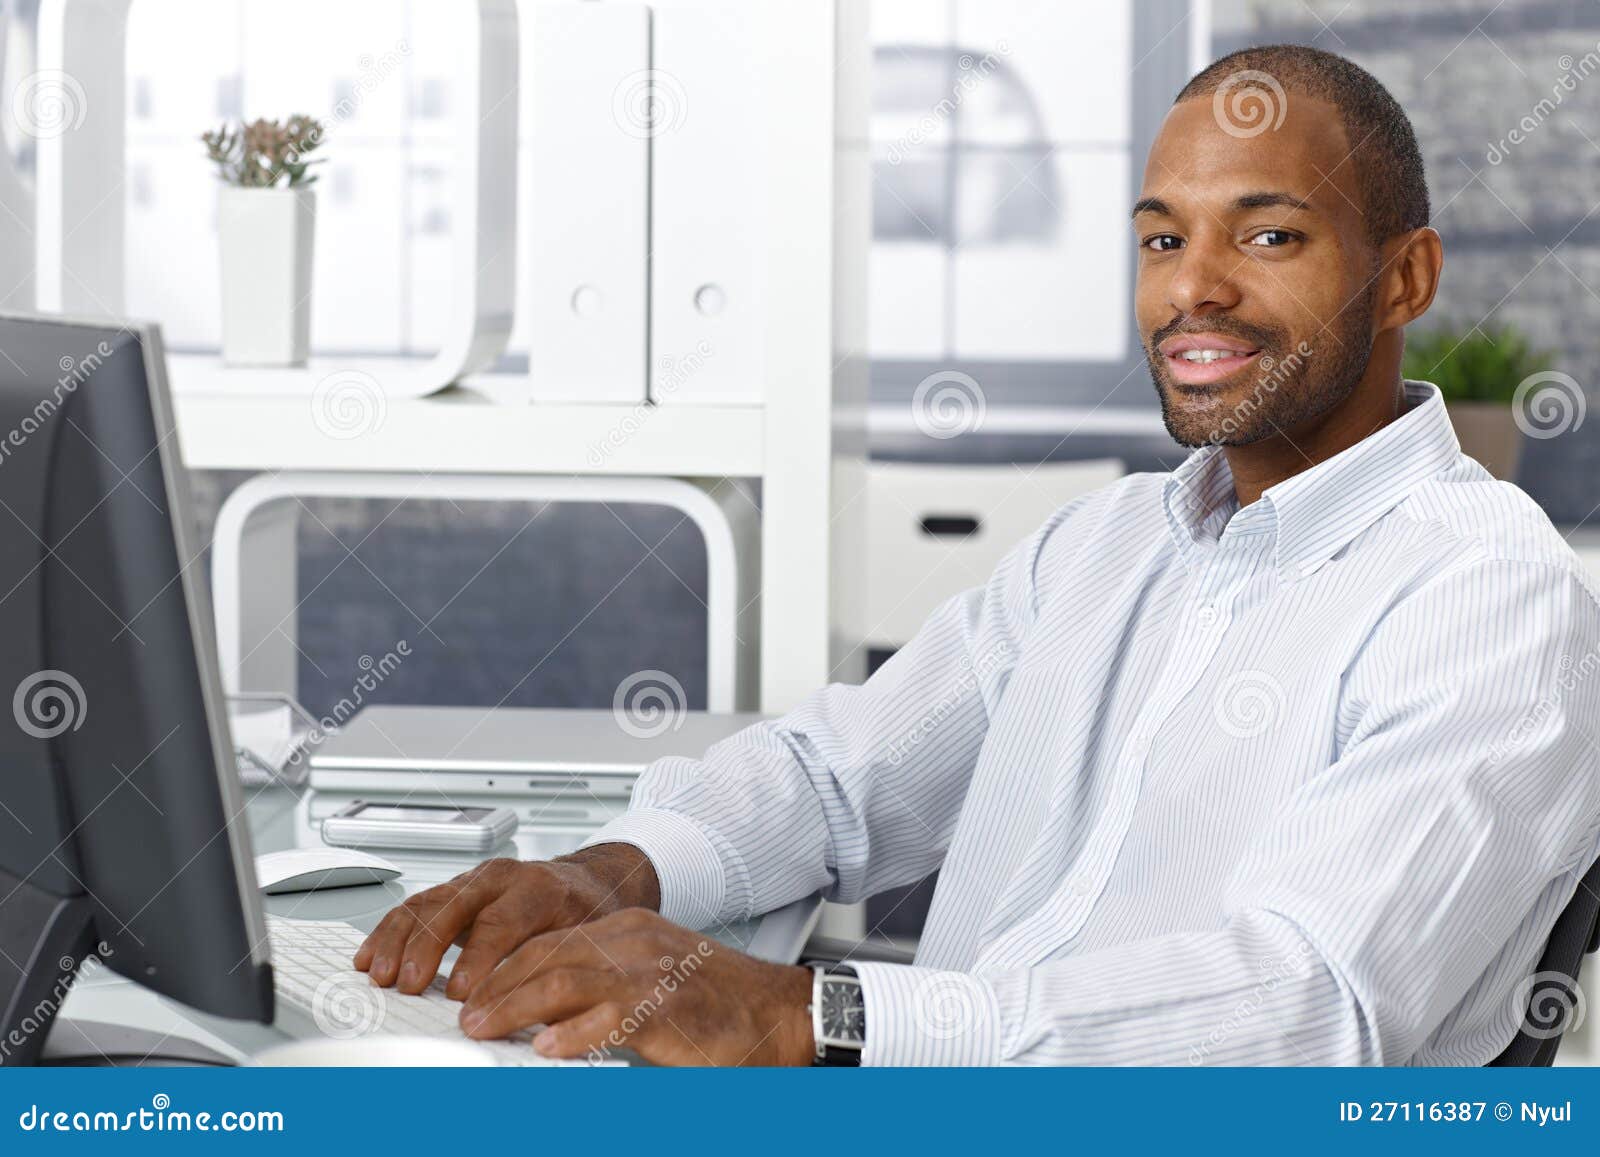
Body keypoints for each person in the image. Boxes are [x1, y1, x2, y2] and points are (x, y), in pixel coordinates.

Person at [356, 44, 1600, 1066]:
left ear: (1404, 278)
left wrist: (810, 1013)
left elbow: (1310, 1001)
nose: (1194, 289)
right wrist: (613, 871)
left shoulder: (1490, 602)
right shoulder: (1107, 543)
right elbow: (839, 778)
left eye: (1267, 237)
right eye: (1162, 240)